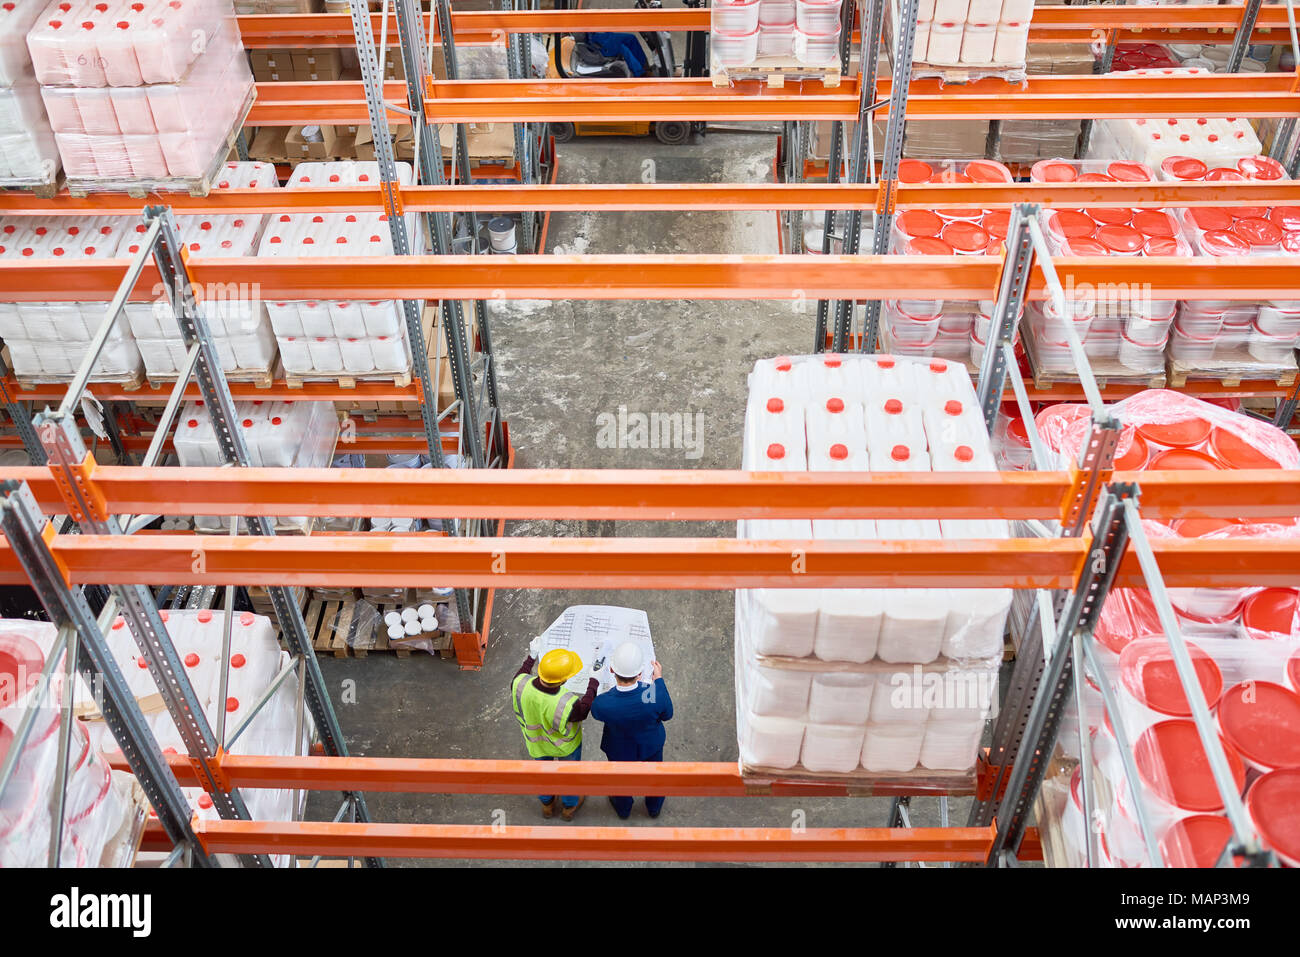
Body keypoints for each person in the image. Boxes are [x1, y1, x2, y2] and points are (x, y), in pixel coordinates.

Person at [511, 640, 600, 820]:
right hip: (565, 747)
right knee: (569, 776)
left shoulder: (519, 684)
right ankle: (568, 808)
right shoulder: (567, 702)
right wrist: (594, 682)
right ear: (564, 680)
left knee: (544, 774)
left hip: (537, 745)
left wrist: (531, 657)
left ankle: (547, 805)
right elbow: (583, 711)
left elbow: (521, 674)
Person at [590, 642, 674, 819]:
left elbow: (597, 714)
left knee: (620, 780)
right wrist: (658, 680)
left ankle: (623, 809)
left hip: (619, 749)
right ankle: (654, 807)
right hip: (651, 747)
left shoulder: (603, 703)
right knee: (655, 777)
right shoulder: (652, 693)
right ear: (640, 673)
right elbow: (667, 714)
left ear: (612, 670)